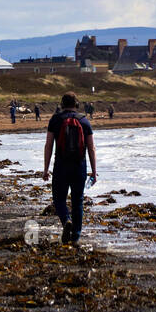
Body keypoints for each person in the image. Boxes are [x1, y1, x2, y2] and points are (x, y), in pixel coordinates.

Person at [43, 93, 97, 246]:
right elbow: (91, 148)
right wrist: (93, 171)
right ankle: (75, 237)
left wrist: (46, 169)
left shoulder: (55, 120)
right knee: (77, 201)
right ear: (77, 104)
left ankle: (66, 220)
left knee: (59, 199)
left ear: (62, 104)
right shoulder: (84, 121)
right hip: (79, 165)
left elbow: (48, 146)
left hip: (61, 164)